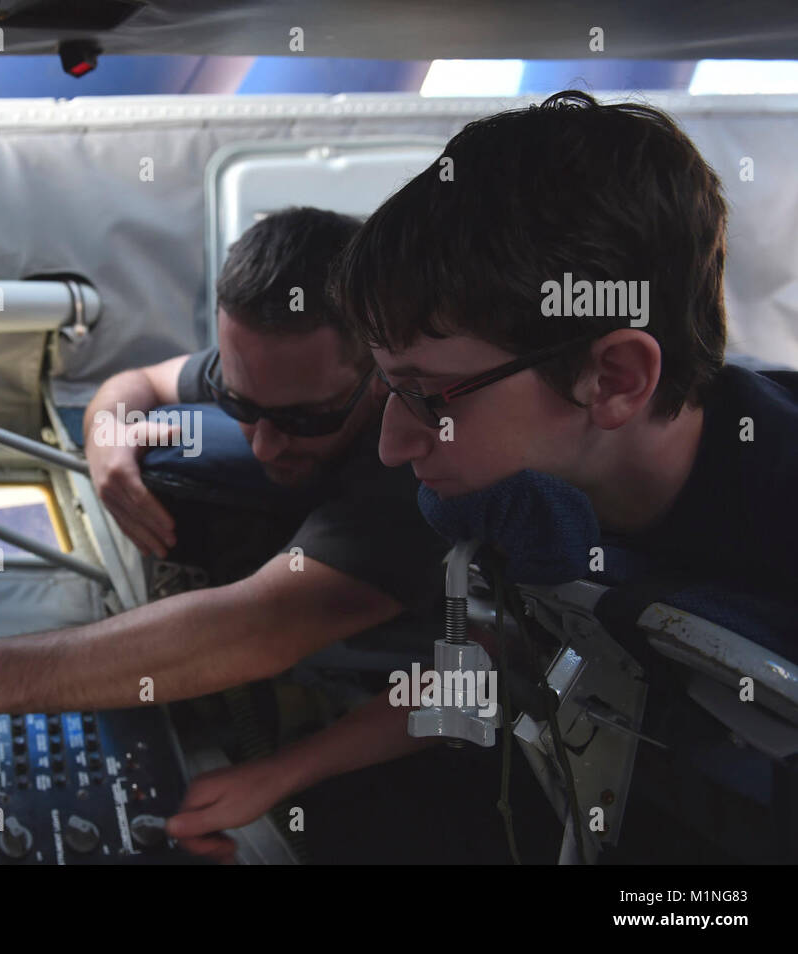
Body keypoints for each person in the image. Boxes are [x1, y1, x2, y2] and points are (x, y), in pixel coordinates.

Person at [166, 90, 798, 862]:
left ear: (615, 378)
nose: (395, 445)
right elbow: (499, 664)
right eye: (388, 390)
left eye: (427, 396)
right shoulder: (539, 502)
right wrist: (282, 774)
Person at [0, 207, 449, 782]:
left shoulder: (420, 470)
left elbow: (257, 628)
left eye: (307, 419)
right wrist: (106, 441)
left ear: (383, 370)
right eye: (243, 405)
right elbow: (140, 382)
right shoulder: (281, 369)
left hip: (441, 661)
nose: (265, 444)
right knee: (164, 443)